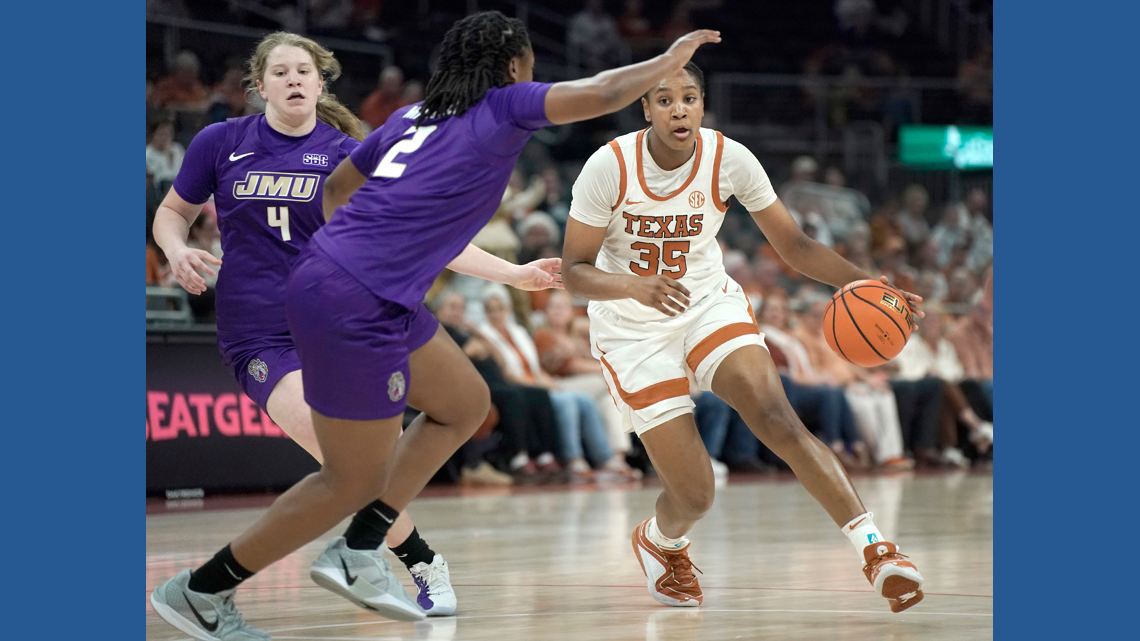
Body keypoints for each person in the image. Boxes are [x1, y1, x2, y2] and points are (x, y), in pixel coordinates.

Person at [154, 14, 722, 639]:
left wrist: (392, 245)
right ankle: (204, 590)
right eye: (528, 63)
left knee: (464, 402)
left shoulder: (413, 116)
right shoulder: (506, 105)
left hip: (351, 284)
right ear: (512, 66)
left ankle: (361, 545)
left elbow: (338, 191)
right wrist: (670, 60)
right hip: (350, 297)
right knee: (353, 478)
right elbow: (604, 91)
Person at [147, 29, 566, 638]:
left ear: (322, 83)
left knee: (451, 412)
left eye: (304, 71)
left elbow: (420, 231)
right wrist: (177, 248)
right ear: (258, 85)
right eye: (281, 72)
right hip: (265, 331)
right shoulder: (222, 142)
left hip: (356, 305)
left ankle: (368, 552)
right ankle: (410, 557)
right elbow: (171, 212)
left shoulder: (351, 151)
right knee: (346, 462)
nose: (294, 80)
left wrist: (511, 273)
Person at [561, 60, 926, 613]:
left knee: (779, 419)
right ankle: (662, 541)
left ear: (703, 104)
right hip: (632, 327)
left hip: (707, 304)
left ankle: (877, 552)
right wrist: (634, 286)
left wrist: (871, 284)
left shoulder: (729, 159)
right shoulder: (608, 167)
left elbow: (796, 247)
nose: (678, 109)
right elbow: (573, 271)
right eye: (664, 100)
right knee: (695, 494)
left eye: (688, 98)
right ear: (645, 108)